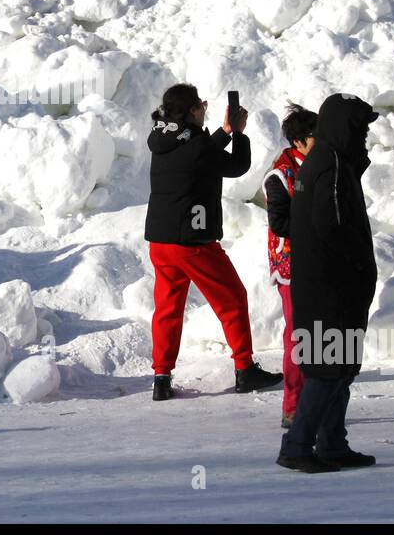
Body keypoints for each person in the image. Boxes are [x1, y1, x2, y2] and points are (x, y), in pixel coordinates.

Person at [143, 82, 283, 401]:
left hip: (161, 243)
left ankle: (161, 378)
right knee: (232, 297)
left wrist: (224, 132)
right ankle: (245, 369)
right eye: (201, 104)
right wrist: (238, 133)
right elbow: (236, 166)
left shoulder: (165, 138)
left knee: (168, 309)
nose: (204, 107)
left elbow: (199, 153)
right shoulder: (194, 144)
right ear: (192, 110)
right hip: (192, 242)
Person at [278, 92, 379, 473]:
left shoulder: (332, 162)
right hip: (330, 289)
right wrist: (357, 268)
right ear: (344, 127)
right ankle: (298, 444)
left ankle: (333, 443)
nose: (365, 136)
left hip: (335, 287)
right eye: (361, 128)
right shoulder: (330, 166)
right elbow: (333, 228)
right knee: (326, 369)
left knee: (341, 367)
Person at [263, 102, 317, 429]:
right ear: (297, 141)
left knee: (323, 333)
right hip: (293, 265)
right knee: (298, 335)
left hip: (322, 263)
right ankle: (293, 405)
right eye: (313, 137)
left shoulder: (322, 163)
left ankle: (319, 398)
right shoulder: (280, 175)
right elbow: (280, 223)